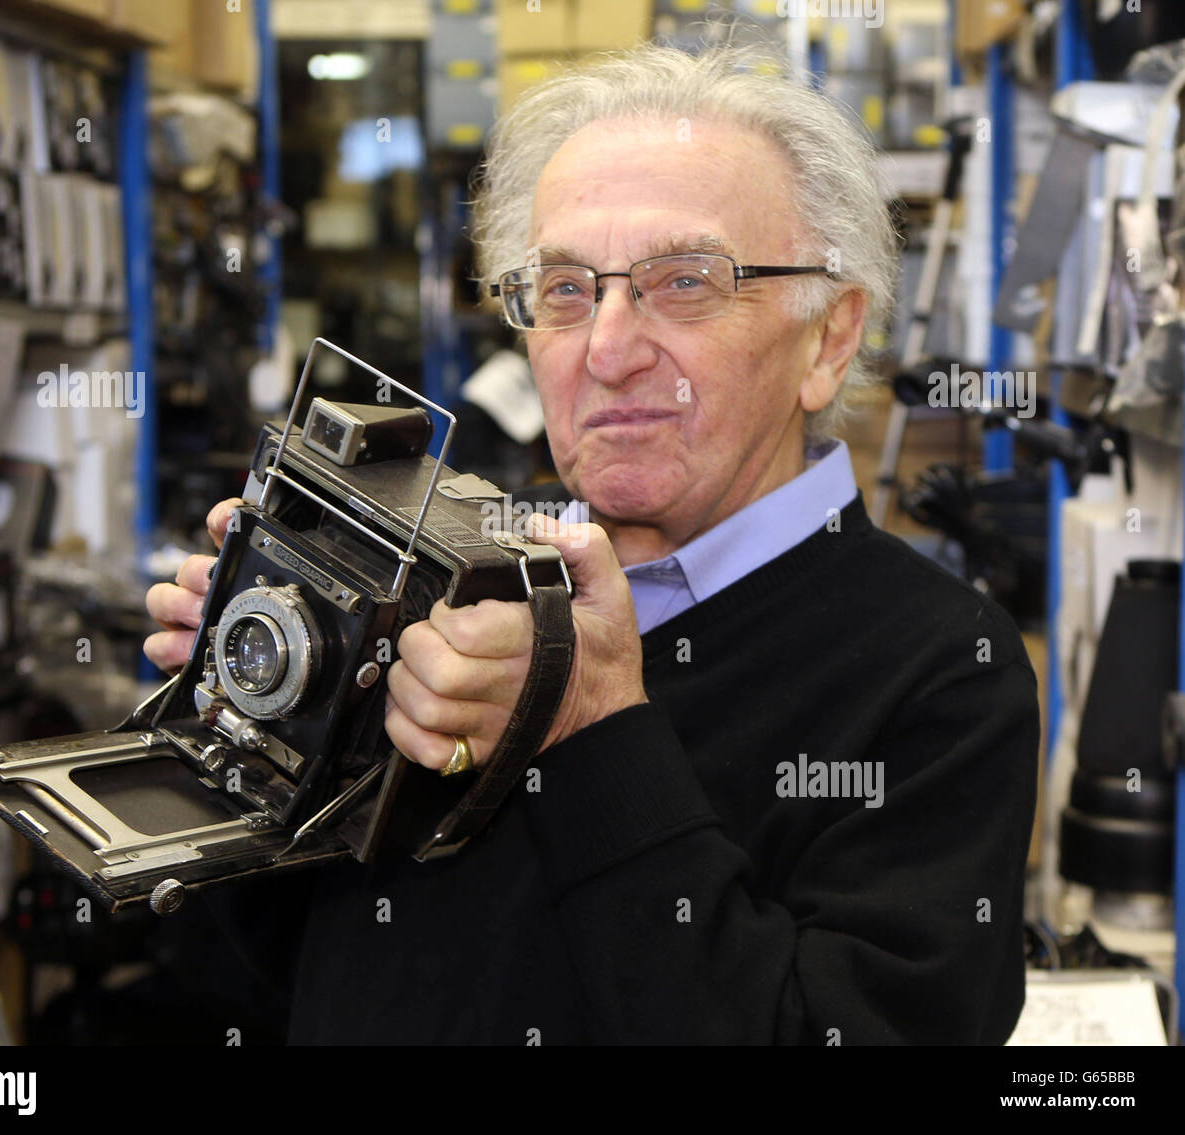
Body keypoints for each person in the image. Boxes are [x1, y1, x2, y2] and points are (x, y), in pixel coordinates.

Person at [145, 41, 1039, 1044]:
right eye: (566, 290)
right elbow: (283, 975)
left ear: (827, 339)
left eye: (686, 281)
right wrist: (237, 725)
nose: (606, 352)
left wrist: (593, 727)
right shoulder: (451, 566)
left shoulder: (941, 673)